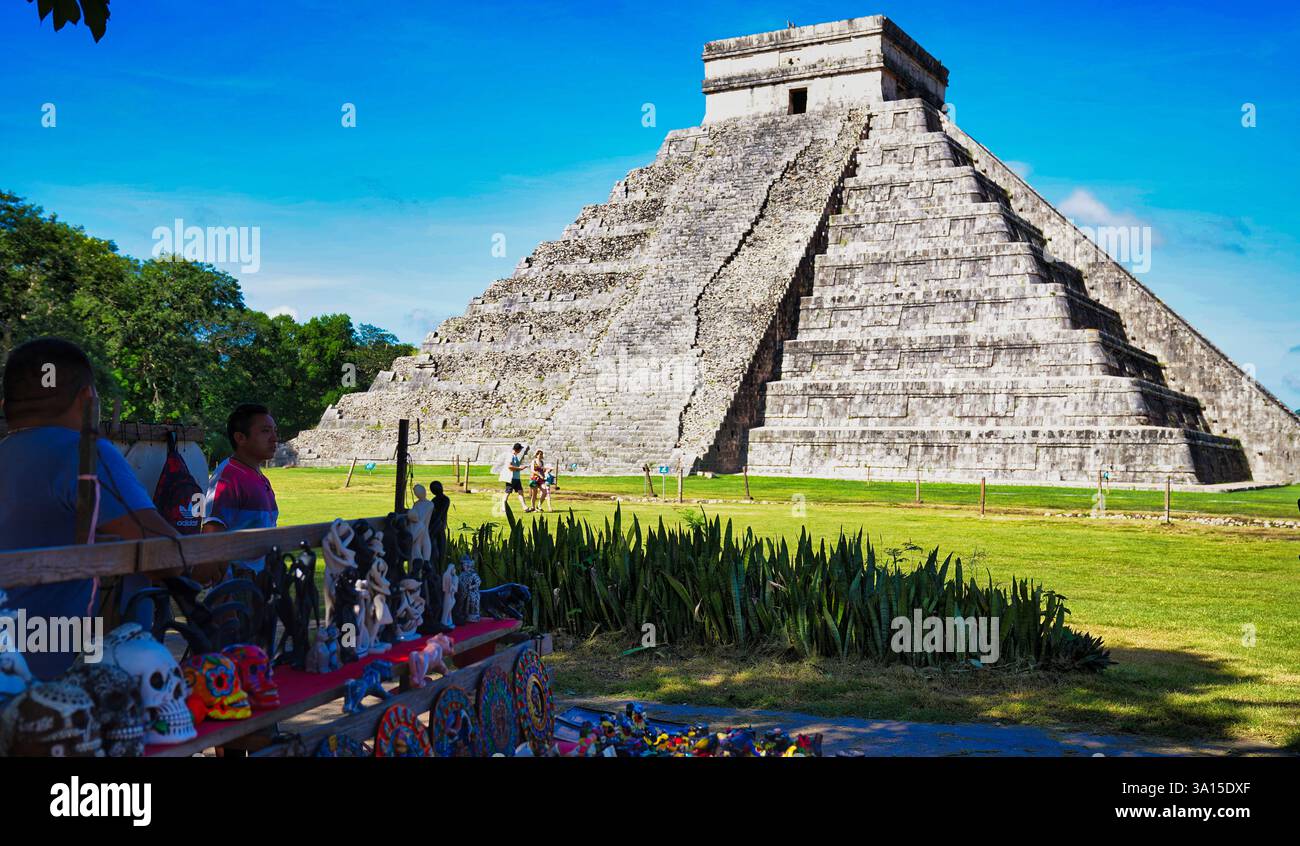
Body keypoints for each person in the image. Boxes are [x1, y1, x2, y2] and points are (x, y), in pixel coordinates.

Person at [0, 338, 185, 679]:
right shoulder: (84, 452)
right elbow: (165, 551)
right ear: (87, 399)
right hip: (54, 677)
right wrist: (210, 564)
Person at [201, 403, 279, 575]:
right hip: (237, 587)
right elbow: (212, 537)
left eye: (274, 430)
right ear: (240, 438)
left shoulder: (259, 477)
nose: (274, 438)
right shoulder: (228, 478)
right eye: (266, 431)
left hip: (262, 585)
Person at [429, 480, 450, 567]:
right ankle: (437, 567)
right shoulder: (435, 500)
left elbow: (439, 514)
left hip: (438, 525)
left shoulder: (444, 500)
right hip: (437, 525)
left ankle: (439, 567)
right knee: (436, 549)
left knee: (441, 549)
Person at [501, 442, 527, 513]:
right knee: (507, 492)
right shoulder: (511, 456)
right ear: (518, 449)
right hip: (511, 477)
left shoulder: (515, 456)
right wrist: (519, 468)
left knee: (520, 492)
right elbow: (509, 466)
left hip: (516, 478)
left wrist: (520, 468)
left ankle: (525, 507)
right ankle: (503, 507)